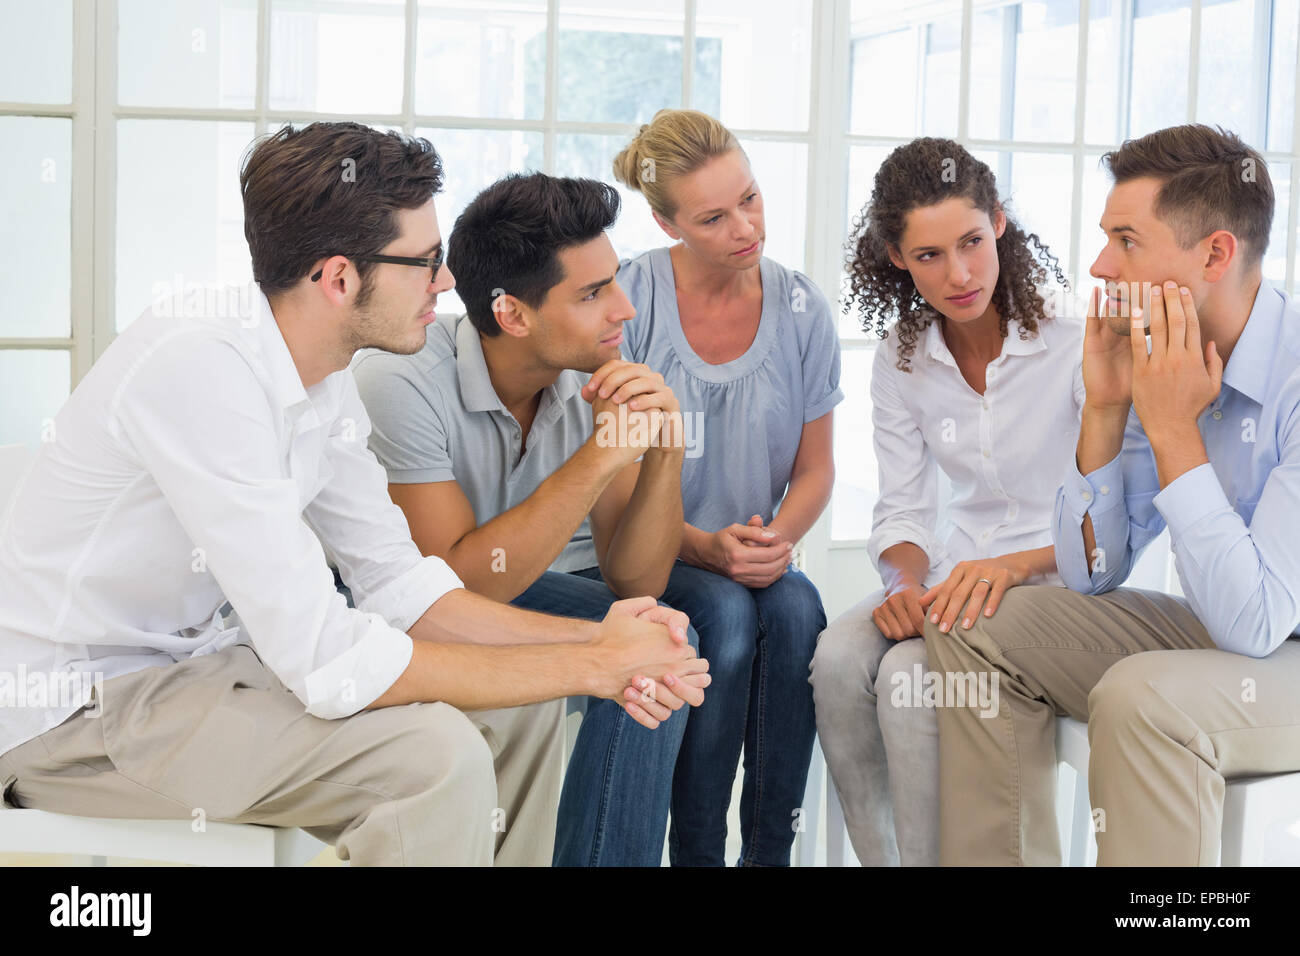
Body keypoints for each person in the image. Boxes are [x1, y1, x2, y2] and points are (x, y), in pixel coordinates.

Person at [0, 122, 707, 867]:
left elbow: (401, 587)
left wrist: (600, 640)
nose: (445, 283)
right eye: (427, 263)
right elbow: (322, 657)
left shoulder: (323, 374)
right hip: (81, 715)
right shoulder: (201, 368)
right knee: (434, 760)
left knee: (521, 711)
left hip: (207, 672)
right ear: (339, 278)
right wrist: (592, 666)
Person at [925, 123, 1300, 865]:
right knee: (974, 625)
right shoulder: (1167, 352)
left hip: (1273, 643)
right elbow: (1094, 571)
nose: (1099, 265)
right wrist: (1105, 411)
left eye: (1126, 240)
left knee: (1143, 696)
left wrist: (1172, 432)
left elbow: (1258, 622)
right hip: (1229, 633)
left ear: (1215, 254)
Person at [353, 171, 707, 867]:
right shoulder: (400, 378)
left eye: (615, 281)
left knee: (659, 637)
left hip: (506, 582)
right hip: (392, 603)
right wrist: (599, 455)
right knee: (627, 646)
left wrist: (665, 451)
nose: (625, 310)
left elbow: (635, 576)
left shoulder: (589, 370)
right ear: (513, 315)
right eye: (593, 293)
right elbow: (451, 589)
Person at [808, 138, 1078, 865]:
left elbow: (1114, 517)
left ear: (999, 222)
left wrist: (1013, 568)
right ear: (896, 258)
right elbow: (903, 507)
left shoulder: (1073, 336)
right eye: (929, 255)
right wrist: (901, 582)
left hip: (1055, 576)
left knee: (904, 677)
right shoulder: (902, 355)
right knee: (835, 657)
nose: (959, 274)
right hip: (953, 574)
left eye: (972, 242)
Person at [611, 108, 842, 866]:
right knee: (724, 618)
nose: (746, 227)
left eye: (750, 198)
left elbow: (816, 469)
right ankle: (699, 853)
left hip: (750, 553)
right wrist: (703, 547)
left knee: (801, 608)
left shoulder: (802, 309)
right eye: (713, 217)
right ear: (666, 222)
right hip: (654, 553)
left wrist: (778, 540)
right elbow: (608, 486)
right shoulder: (630, 300)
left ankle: (769, 852)